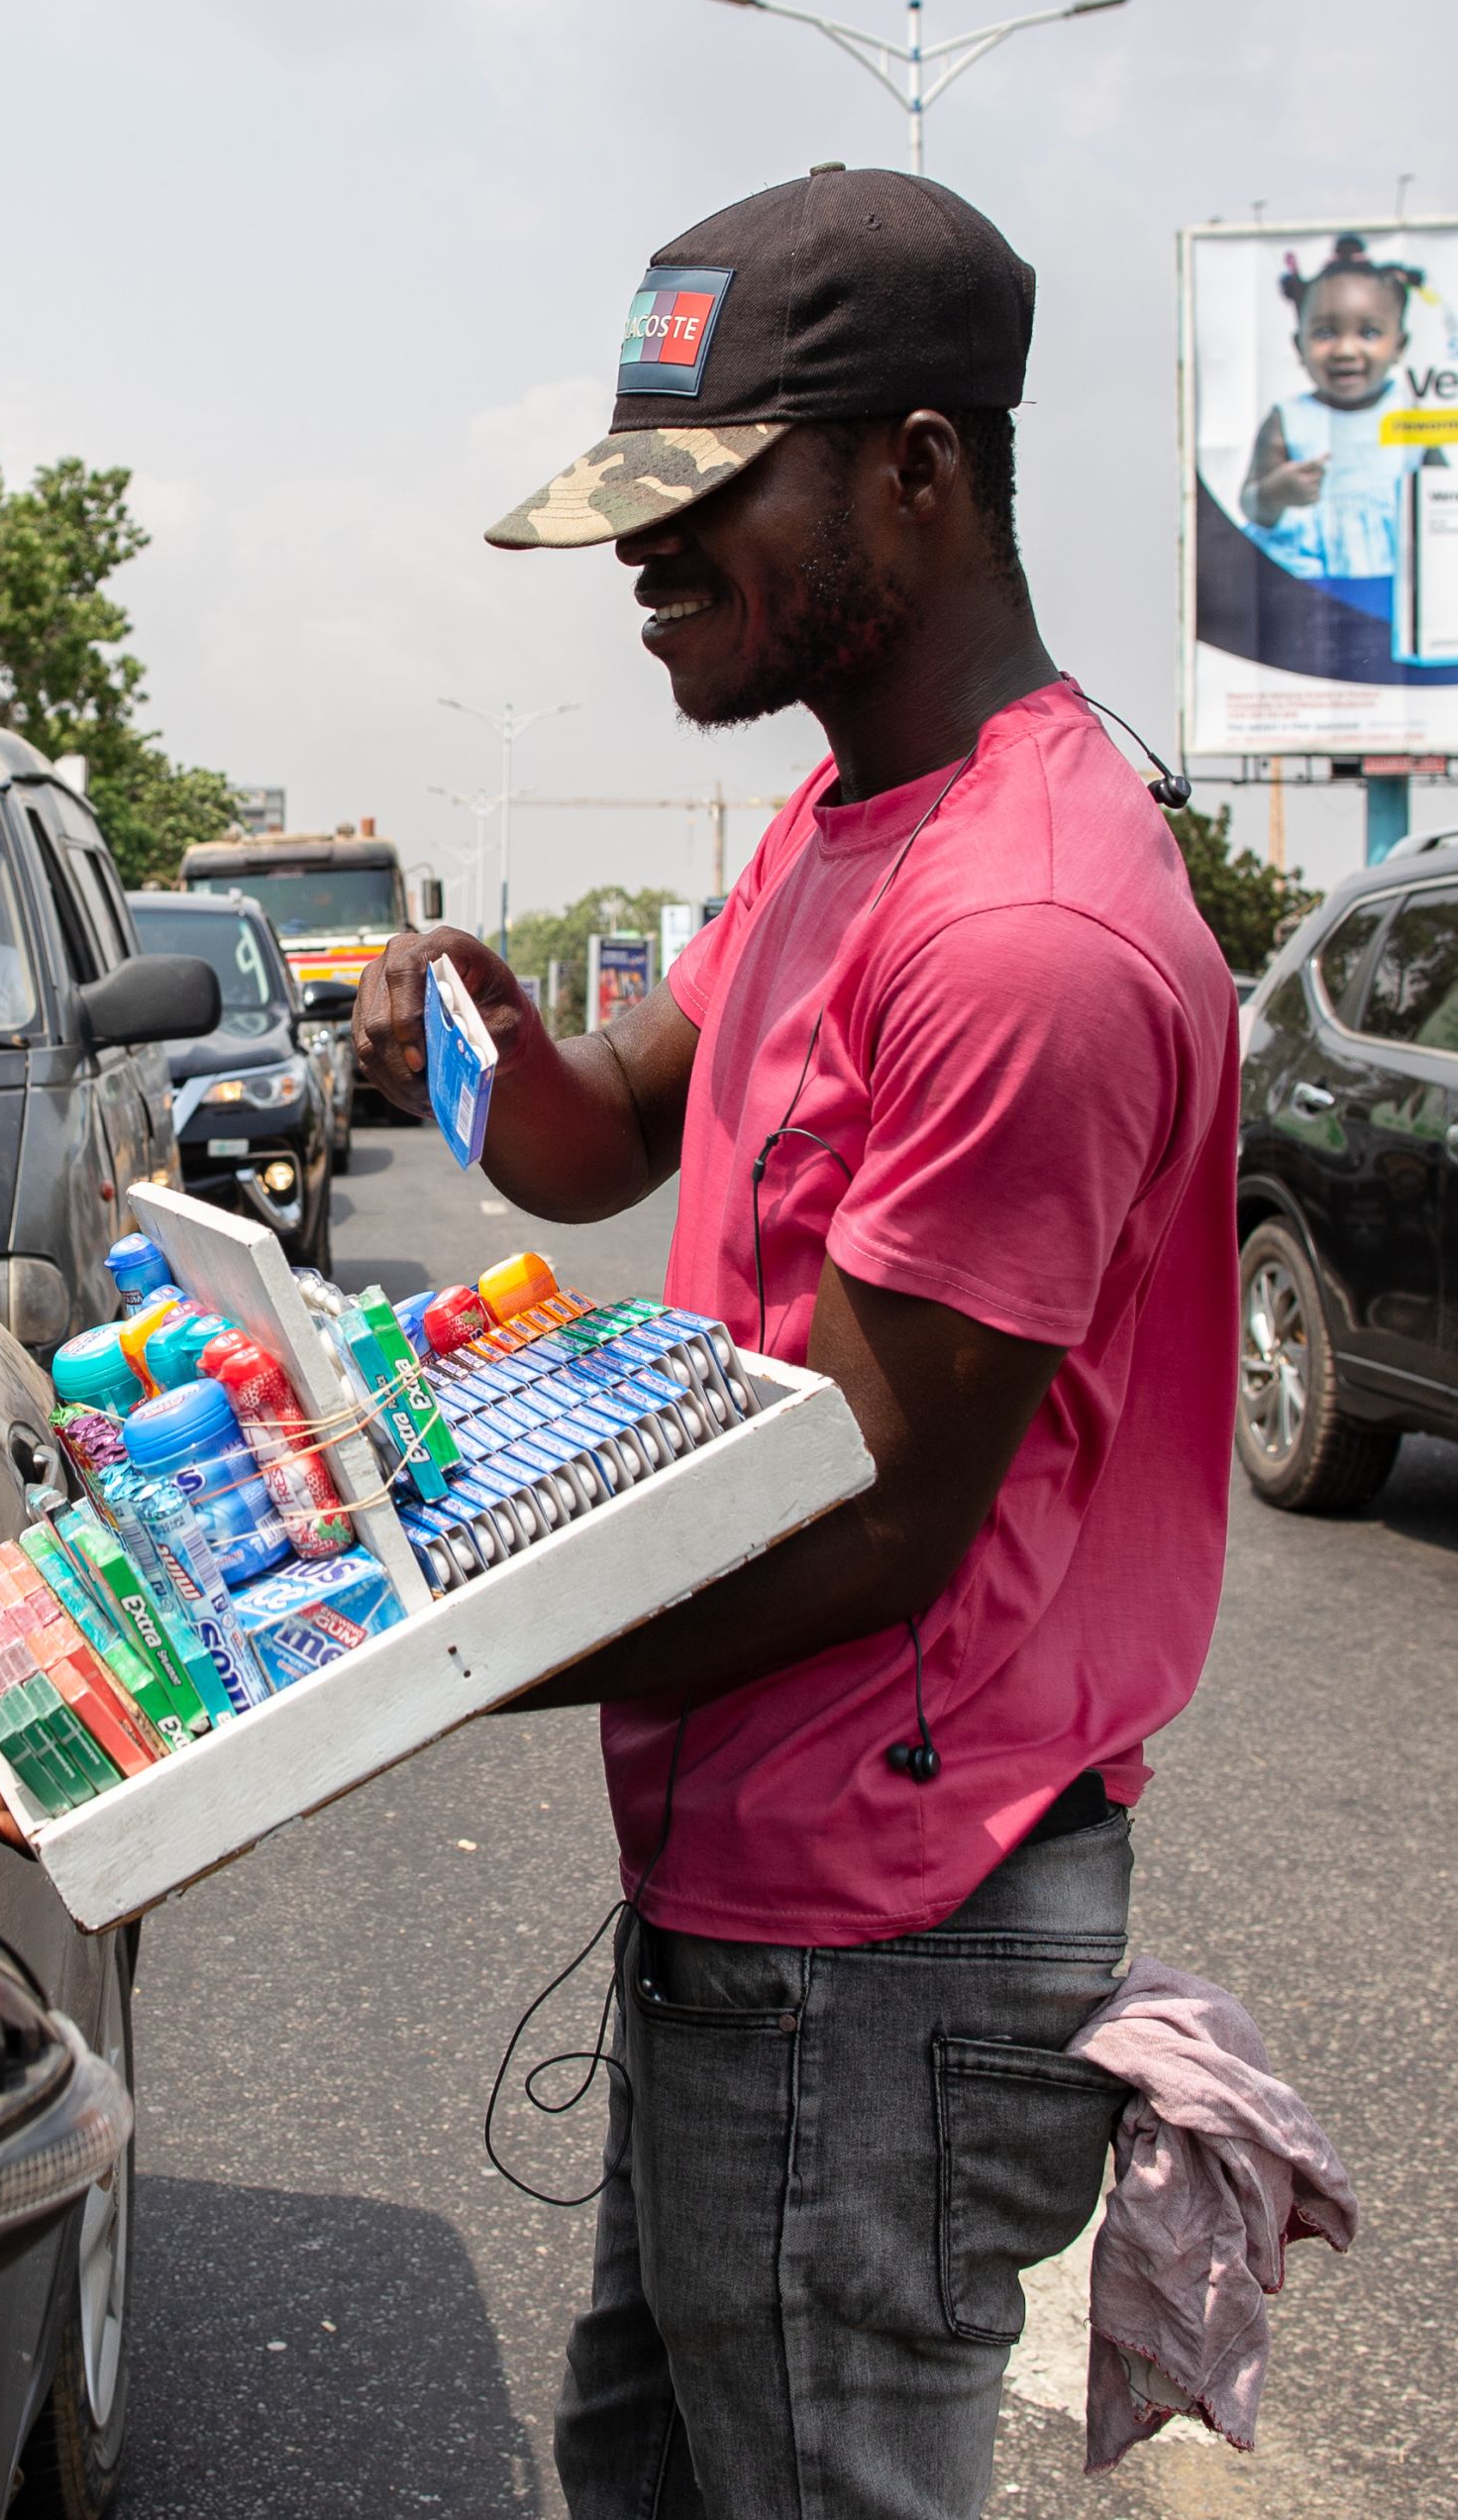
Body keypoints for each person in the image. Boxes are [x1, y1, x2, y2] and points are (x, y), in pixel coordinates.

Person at [375, 166, 1239, 2518]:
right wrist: (481, 1049)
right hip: (763, 1884)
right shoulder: (840, 836)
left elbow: (865, 1522)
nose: (644, 569)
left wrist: (379, 1651)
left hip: (891, 1934)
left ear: (920, 469)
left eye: (699, 506)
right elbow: (588, 1143)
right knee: (652, 2466)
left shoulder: (1025, 929)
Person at [1238, 232, 1426, 579]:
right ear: (1299, 345)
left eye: (1368, 333)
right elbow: (1250, 503)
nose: (1345, 350)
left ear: (1400, 345)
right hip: (1306, 578)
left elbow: (1442, 491)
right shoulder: (1288, 419)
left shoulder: (1412, 413)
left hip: (1394, 577)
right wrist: (1276, 492)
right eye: (1325, 333)